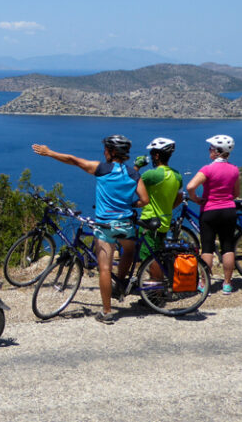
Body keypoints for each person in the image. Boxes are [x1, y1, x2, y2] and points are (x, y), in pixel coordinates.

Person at [32, 136, 149, 324]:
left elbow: (73, 160)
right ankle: (120, 283)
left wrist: (49, 152)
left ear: (111, 152)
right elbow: (144, 200)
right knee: (129, 249)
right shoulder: (133, 174)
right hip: (125, 224)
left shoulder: (102, 169)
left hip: (105, 226)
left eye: (106, 150)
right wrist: (130, 203)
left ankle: (107, 312)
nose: (104, 152)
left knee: (104, 268)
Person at [187, 135, 240, 295]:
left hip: (210, 211)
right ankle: (227, 284)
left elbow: (190, 187)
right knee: (228, 247)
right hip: (229, 211)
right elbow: (236, 193)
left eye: (210, 148)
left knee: (208, 248)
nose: (209, 151)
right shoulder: (234, 169)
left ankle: (204, 284)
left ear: (217, 152)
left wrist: (196, 199)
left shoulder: (207, 169)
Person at [133, 137, 183, 263]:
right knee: (158, 253)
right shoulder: (177, 175)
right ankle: (159, 279)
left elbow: (129, 182)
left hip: (149, 221)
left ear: (156, 155)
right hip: (165, 221)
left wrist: (137, 167)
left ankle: (156, 281)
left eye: (151, 153)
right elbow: (179, 198)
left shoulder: (152, 175)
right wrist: (166, 207)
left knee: (149, 257)